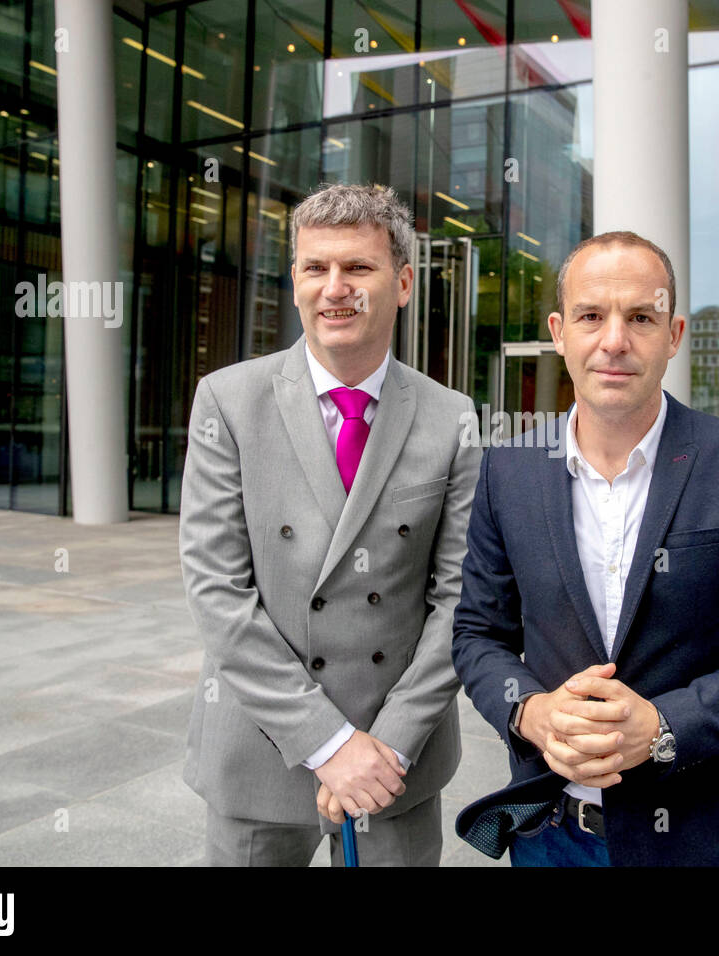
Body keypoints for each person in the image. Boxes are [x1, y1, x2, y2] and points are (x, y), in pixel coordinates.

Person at [450, 231, 719, 866]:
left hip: (691, 840)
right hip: (548, 836)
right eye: (591, 316)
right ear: (559, 331)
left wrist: (664, 728)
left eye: (641, 317)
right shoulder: (507, 470)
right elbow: (476, 634)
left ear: (673, 334)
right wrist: (532, 713)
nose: (614, 340)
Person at [178, 183, 480, 866]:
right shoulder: (228, 401)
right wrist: (328, 743)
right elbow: (217, 591)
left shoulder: (451, 416)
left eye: (358, 268)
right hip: (259, 750)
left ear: (402, 283)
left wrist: (386, 746)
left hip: (393, 765)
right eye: (316, 268)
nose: (335, 288)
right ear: (294, 283)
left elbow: (463, 597)